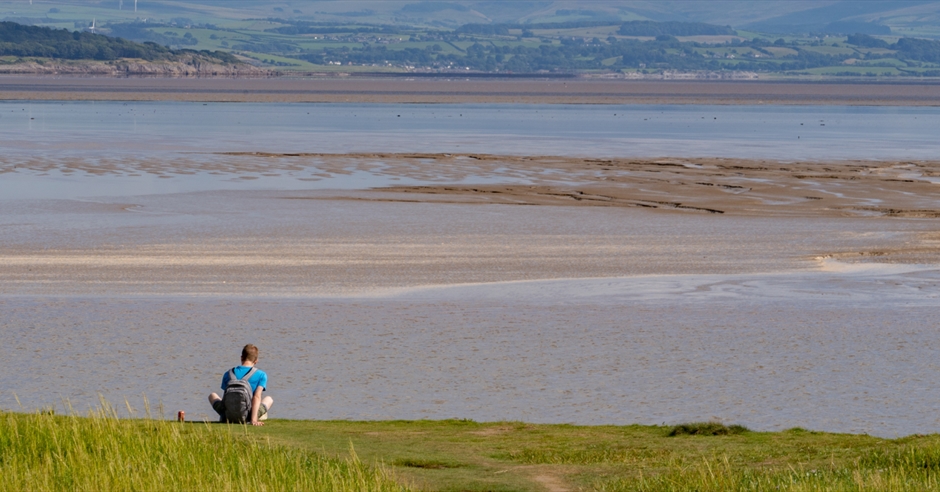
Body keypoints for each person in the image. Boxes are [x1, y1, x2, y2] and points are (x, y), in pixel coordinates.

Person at [208, 344, 273, 426]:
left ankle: (224, 416)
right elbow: (256, 397)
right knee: (269, 399)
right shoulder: (261, 375)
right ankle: (254, 417)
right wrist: (253, 420)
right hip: (247, 416)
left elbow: (226, 396)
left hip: (228, 413)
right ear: (256, 361)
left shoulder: (228, 373)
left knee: (212, 395)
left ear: (241, 357)